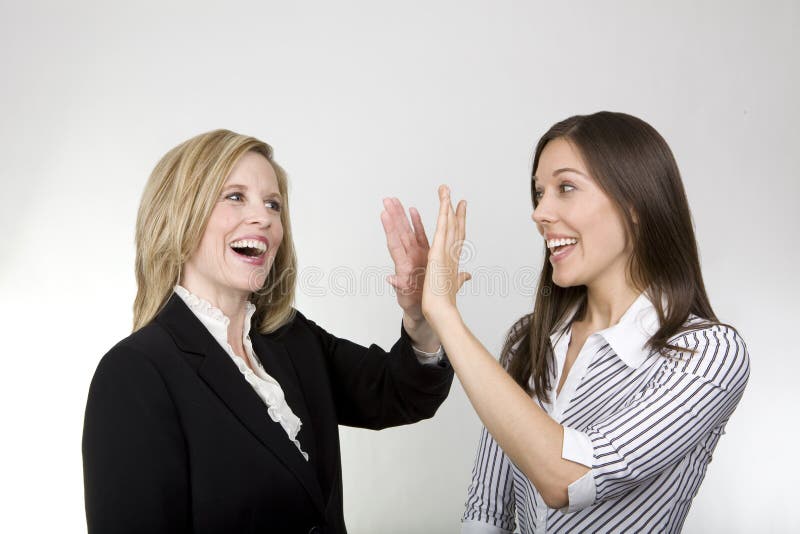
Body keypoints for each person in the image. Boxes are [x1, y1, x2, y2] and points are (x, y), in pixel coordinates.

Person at [81, 129, 454, 534]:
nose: (265, 218)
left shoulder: (291, 338)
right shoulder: (135, 372)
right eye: (235, 196)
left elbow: (399, 393)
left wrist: (422, 315)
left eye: (273, 204)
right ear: (180, 214)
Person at [416, 112, 750, 533]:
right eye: (539, 193)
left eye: (566, 187)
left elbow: (571, 479)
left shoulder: (708, 353)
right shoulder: (529, 342)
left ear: (635, 204)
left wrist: (445, 315)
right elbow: (486, 511)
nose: (540, 212)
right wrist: (427, 319)